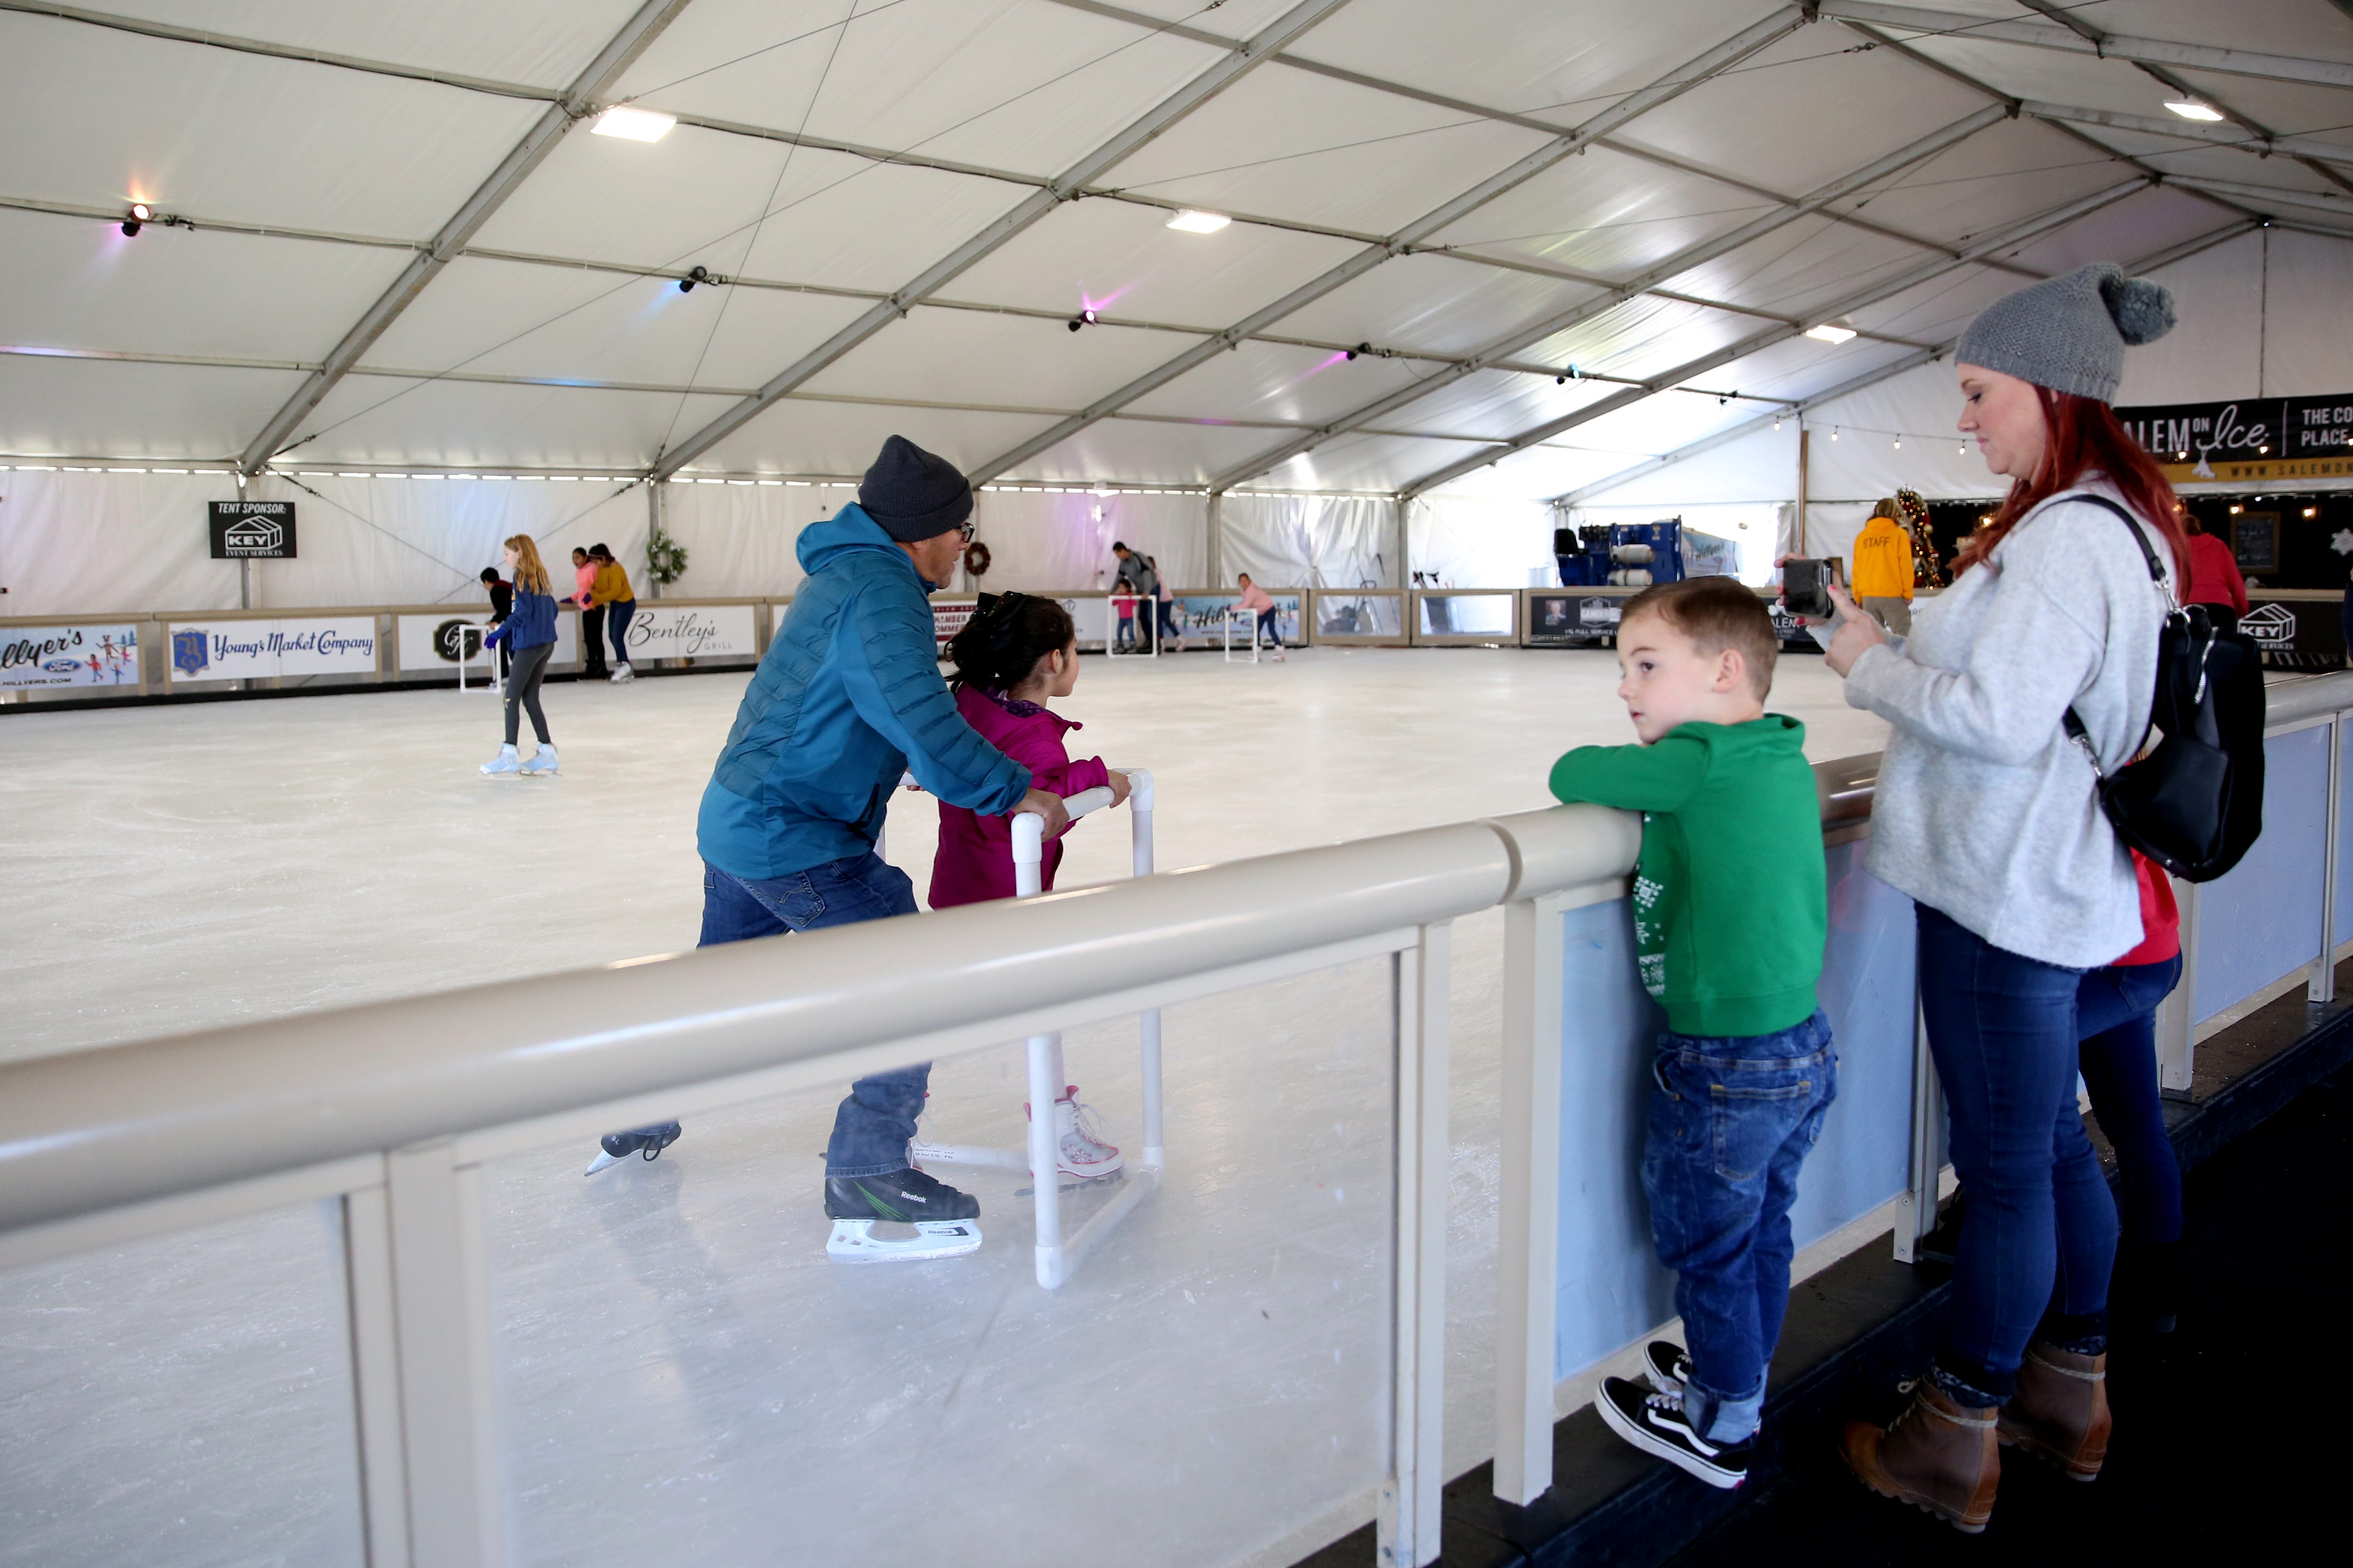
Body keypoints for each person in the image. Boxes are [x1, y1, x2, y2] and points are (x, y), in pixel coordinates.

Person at [1820, 263, 2187, 1532]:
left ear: (2048, 389)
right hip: (2043, 879)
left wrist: (1870, 664)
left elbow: (1995, 717)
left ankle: (1954, 1430)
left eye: (1979, 394)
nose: (1966, 419)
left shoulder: (2066, 539)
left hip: (1997, 894)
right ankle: (2064, 1393)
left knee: (2012, 1172)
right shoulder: (2114, 528)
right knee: (2040, 1150)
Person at [589, 436, 1073, 1266]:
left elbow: (865, 709)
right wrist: (1010, 789)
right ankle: (870, 1167)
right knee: (909, 976)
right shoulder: (882, 592)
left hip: (740, 818)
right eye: (958, 526)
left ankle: (641, 1105)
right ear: (920, 530)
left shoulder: (844, 575)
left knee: (720, 985)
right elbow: (916, 714)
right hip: (792, 835)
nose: (966, 541)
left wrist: (906, 765)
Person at [1548, 576, 1831, 1491]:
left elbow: (1570, 773)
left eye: (1644, 665)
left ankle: (1721, 1423)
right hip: (1798, 1043)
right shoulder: (1776, 749)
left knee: (1708, 1245)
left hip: (1723, 1062)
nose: (1624, 688)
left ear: (1721, 670)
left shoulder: (1695, 758)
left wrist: (1638, 759)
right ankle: (1735, 1373)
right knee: (1760, 1229)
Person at [929, 591, 1130, 1180]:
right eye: (1074, 649)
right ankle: (1058, 1129)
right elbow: (1041, 794)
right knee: (1044, 1003)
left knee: (951, 1003)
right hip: (1008, 900)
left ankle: (904, 1103)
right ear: (1052, 660)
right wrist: (1100, 777)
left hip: (957, 887)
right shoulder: (1036, 738)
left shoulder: (970, 704)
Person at [2075, 851, 2186, 1335]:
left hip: (2107, 955)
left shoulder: (2068, 771)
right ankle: (2156, 1292)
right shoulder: (2124, 768)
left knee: (2042, 1125)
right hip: (2145, 945)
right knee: (2138, 1126)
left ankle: (2074, 1312)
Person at [480, 536, 560, 776]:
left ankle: (509, 753)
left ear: (520, 554)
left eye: (507, 554)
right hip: (546, 644)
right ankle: (547, 751)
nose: (505, 559)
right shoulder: (541, 576)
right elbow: (553, 609)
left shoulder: (521, 577)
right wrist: (541, 627)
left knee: (510, 697)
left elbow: (522, 613)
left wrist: (501, 631)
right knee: (530, 697)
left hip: (529, 646)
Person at [1851, 498, 1916, 634]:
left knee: (1873, 637)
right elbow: (1905, 566)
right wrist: (1908, 593)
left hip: (1868, 595)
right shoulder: (1899, 535)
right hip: (1891, 593)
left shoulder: (1862, 537)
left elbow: (1857, 569)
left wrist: (1858, 596)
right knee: (1904, 634)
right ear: (1894, 512)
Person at [2180, 513, 2247, 632]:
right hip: (2221, 608)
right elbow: (2235, 581)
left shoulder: (2177, 549)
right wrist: (2242, 609)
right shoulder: (2218, 545)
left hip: (2188, 607)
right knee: (2223, 648)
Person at [589, 544, 637, 683]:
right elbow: (598, 587)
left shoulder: (616, 569)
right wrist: (593, 594)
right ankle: (624, 664)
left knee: (617, 635)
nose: (594, 565)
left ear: (604, 558)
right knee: (612, 635)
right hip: (616, 604)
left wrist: (595, 598)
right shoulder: (601, 569)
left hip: (626, 604)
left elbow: (614, 591)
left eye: (596, 561)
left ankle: (624, 665)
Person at [562, 547, 607, 680]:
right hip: (586, 608)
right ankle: (592, 664)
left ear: (585, 557)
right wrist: (572, 598)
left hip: (595, 607)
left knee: (596, 638)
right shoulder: (579, 572)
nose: (575, 561)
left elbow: (597, 585)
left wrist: (590, 595)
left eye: (577, 558)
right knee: (588, 638)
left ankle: (601, 666)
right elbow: (582, 589)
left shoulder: (593, 568)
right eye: (573, 558)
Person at [1111, 541, 1156, 651]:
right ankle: (1149, 641)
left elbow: (1147, 574)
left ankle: (1156, 643)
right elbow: (1119, 577)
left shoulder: (1137, 558)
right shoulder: (1123, 563)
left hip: (1152, 589)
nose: (1118, 557)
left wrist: (1147, 591)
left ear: (1123, 550)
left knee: (1152, 617)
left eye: (1118, 554)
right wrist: (1112, 592)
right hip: (1142, 591)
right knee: (1142, 617)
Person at [1234, 573, 1286, 661]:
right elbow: (1246, 603)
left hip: (1269, 609)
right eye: (1241, 581)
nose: (1244, 583)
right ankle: (1257, 650)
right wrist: (1234, 607)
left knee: (1271, 630)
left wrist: (1233, 608)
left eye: (1245, 581)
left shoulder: (1251, 590)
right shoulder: (1244, 591)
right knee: (1256, 630)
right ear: (1239, 583)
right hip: (1261, 612)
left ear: (1249, 581)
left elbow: (1246, 605)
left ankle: (1280, 650)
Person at [479, 565, 512, 680]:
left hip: (511, 624)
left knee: (506, 649)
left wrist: (495, 621)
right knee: (506, 649)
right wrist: (495, 619)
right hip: (515, 622)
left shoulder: (496, 591)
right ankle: (510, 678)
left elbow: (503, 610)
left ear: (487, 582)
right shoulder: (507, 586)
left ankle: (504, 677)